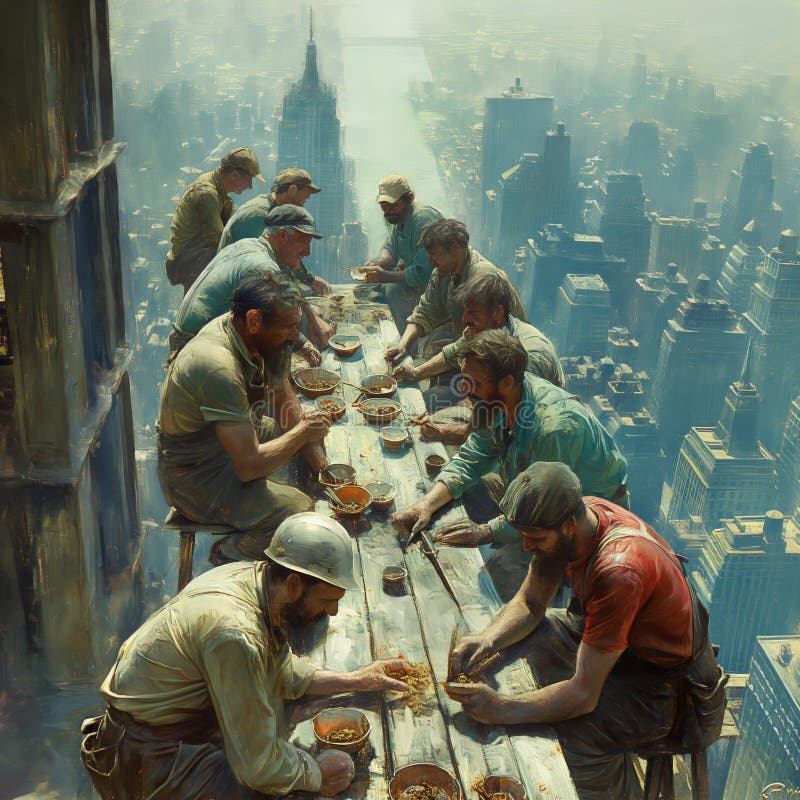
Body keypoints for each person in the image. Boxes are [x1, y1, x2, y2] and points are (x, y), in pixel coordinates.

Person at [81, 512, 413, 799]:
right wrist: (316, 773)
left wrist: (355, 679)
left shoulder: (257, 579)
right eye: (327, 600)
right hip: (145, 761)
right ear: (295, 584)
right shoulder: (234, 634)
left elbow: (279, 670)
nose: (335, 611)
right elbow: (258, 766)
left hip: (171, 732)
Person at [444, 463, 727, 800]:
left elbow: (582, 694)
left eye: (534, 539)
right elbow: (532, 603)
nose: (525, 547)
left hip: (668, 688)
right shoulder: (575, 518)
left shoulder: (619, 570)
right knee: (517, 643)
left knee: (574, 732)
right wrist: (487, 638)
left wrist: (502, 708)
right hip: (622, 651)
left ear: (568, 526)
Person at [393, 330, 628, 551]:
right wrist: (426, 505)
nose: (467, 391)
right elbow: (474, 456)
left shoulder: (553, 430)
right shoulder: (498, 401)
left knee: (506, 573)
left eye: (475, 383)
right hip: (527, 489)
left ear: (505, 382)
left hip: (584, 521)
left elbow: (545, 511)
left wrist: (485, 532)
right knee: (457, 493)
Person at [158, 274, 332, 561]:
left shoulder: (253, 333)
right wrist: (302, 433)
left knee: (288, 436)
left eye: (296, 326)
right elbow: (249, 467)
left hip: (219, 447)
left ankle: (261, 508)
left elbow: (279, 393)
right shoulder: (217, 367)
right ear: (253, 320)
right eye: (288, 328)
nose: (294, 336)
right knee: (299, 510)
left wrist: (317, 458)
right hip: (194, 478)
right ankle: (229, 553)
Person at [393, 270, 563, 444]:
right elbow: (453, 353)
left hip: (533, 426)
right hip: (491, 400)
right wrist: (417, 373)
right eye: (465, 312)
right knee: (425, 410)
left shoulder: (531, 355)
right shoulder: (481, 330)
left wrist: (449, 430)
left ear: (497, 312)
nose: (465, 319)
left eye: (473, 313)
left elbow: (503, 415)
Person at [171, 205, 334, 361]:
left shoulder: (247, 245)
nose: (307, 252)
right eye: (304, 243)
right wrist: (303, 344)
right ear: (283, 236)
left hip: (188, 339)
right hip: (195, 347)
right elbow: (277, 318)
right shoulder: (262, 264)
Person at [384, 219, 527, 367]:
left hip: (505, 358)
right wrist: (404, 344)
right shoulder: (442, 273)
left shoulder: (483, 277)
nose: (431, 262)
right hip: (471, 344)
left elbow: (487, 335)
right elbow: (425, 312)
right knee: (424, 346)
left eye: (434, 255)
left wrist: (455, 346)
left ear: (455, 248)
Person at [217, 167, 331, 297]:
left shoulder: (272, 209)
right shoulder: (259, 215)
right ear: (292, 190)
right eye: (303, 200)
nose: (302, 207)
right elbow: (260, 268)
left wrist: (308, 279)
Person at [166, 146, 265, 292]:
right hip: (188, 263)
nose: (250, 186)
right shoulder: (208, 194)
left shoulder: (219, 189)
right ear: (235, 175)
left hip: (196, 256)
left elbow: (235, 222)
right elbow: (219, 240)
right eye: (249, 179)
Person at [361, 174, 443, 331]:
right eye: (384, 207)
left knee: (394, 291)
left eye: (393, 206)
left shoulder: (423, 218)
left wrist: (386, 276)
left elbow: (426, 271)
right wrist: (381, 264)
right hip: (418, 281)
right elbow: (391, 245)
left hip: (438, 287)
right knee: (388, 290)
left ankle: (409, 342)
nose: (388, 211)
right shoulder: (396, 216)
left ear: (409, 198)